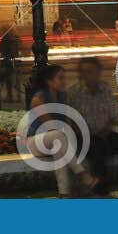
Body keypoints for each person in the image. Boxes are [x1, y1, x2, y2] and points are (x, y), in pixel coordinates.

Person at [68, 57, 118, 196]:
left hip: (104, 133)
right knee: (97, 147)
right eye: (83, 72)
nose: (86, 75)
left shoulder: (105, 89)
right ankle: (103, 191)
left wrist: (105, 131)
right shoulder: (74, 92)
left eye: (90, 72)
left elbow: (111, 116)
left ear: (97, 73)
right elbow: (71, 120)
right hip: (83, 137)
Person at [27, 64, 91, 196]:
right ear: (49, 81)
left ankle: (64, 194)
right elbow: (51, 125)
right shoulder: (38, 99)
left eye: (64, 78)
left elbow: (68, 123)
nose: (64, 82)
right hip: (35, 142)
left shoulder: (63, 97)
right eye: (60, 78)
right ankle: (82, 173)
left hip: (57, 141)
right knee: (57, 135)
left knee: (59, 147)